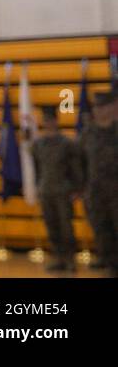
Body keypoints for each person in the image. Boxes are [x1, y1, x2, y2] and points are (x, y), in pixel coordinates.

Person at [32, 105, 82, 272]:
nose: (48, 123)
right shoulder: (38, 144)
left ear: (56, 121)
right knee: (51, 226)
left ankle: (70, 260)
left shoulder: (67, 143)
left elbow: (75, 168)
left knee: (66, 227)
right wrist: (37, 187)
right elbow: (37, 168)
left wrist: (76, 188)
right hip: (46, 190)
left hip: (63, 190)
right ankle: (59, 258)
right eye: (45, 120)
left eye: (51, 120)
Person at [79, 90, 118, 276]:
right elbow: (78, 161)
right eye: (96, 106)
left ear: (113, 106)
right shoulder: (88, 132)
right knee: (102, 230)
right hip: (95, 192)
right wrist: (80, 187)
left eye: (102, 106)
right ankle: (111, 264)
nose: (97, 110)